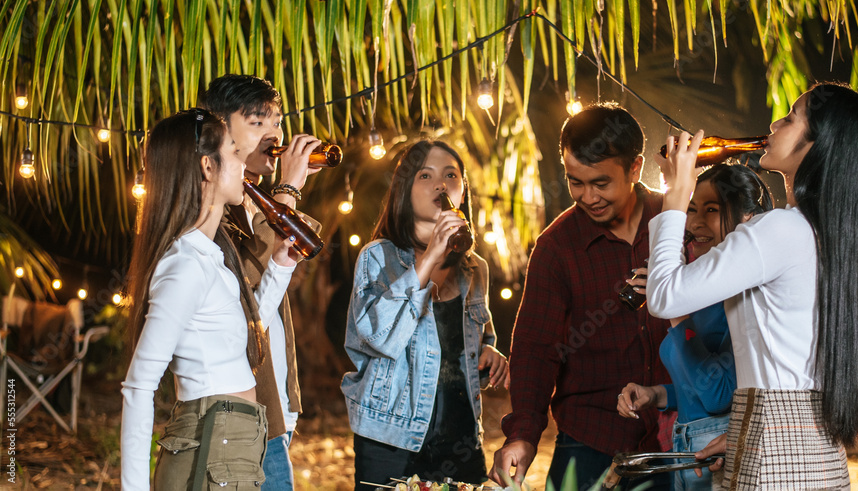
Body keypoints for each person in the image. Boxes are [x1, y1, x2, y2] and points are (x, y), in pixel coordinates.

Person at [647, 83, 858, 489]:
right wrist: (744, 434)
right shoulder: (834, 236)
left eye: (791, 117)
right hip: (815, 455)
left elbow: (664, 296)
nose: (775, 123)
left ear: (817, 145)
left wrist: (676, 195)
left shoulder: (779, 229)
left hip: (773, 469)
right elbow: (793, 370)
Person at [490, 103, 674, 490]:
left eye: (600, 183)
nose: (587, 197)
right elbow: (536, 348)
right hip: (590, 439)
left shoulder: (677, 221)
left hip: (678, 439)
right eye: (576, 182)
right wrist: (523, 434)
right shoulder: (557, 247)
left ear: (635, 168)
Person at [120, 109, 301, 489]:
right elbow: (139, 385)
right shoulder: (185, 264)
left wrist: (281, 266)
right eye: (234, 153)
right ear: (207, 166)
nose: (243, 165)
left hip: (233, 440)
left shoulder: (212, 256)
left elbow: (247, 332)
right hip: (211, 445)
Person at [342, 140, 510, 490]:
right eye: (425, 175)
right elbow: (376, 338)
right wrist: (429, 257)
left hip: (461, 436)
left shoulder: (474, 268)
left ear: (462, 192)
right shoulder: (378, 258)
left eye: (451, 175)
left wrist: (489, 354)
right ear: (405, 190)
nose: (440, 184)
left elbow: (473, 339)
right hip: (392, 439)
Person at [617, 164, 774, 490]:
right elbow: (696, 387)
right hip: (686, 451)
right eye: (690, 210)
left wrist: (676, 308)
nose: (696, 222)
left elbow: (718, 395)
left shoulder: (746, 297)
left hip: (720, 452)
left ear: (747, 218)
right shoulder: (703, 291)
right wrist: (657, 395)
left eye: (712, 210)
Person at [200, 74, 322, 491]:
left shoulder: (253, 202)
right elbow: (248, 303)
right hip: (238, 415)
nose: (275, 135)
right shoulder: (209, 209)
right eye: (257, 123)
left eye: (278, 122)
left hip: (273, 411)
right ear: (218, 131)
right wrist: (288, 190)